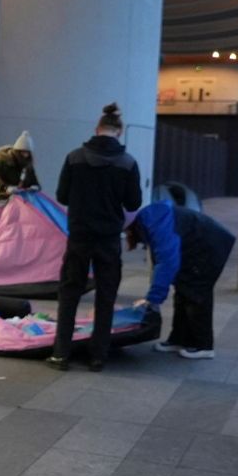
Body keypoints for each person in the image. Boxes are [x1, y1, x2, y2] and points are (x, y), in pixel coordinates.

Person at [48, 103, 142, 372]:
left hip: (79, 235)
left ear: (96, 129)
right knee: (106, 295)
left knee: (69, 292)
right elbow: (134, 202)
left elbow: (62, 196)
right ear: (119, 132)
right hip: (109, 237)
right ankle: (98, 356)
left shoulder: (75, 157)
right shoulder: (128, 163)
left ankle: (60, 354)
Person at [126, 200, 235, 360]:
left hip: (208, 247)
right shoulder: (148, 219)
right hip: (198, 246)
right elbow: (161, 260)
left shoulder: (155, 223)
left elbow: (167, 262)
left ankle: (203, 345)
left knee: (196, 295)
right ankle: (179, 339)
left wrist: (153, 299)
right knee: (183, 291)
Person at [0, 130, 40, 197]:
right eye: (23, 152)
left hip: (22, 201)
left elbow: (36, 183)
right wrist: (5, 188)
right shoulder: (5, 163)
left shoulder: (28, 166)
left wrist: (35, 187)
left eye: (27, 153)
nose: (25, 155)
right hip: (5, 200)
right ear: (17, 152)